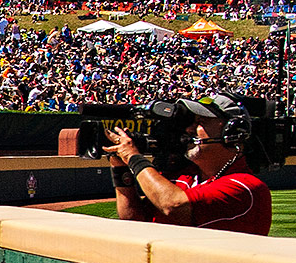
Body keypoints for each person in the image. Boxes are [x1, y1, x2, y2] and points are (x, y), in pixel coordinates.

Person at [106, 94, 272, 235]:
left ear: (231, 132)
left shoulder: (245, 186)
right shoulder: (182, 177)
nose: (189, 129)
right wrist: (120, 168)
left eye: (201, 122)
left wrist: (133, 157)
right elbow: (133, 221)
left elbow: (172, 204)